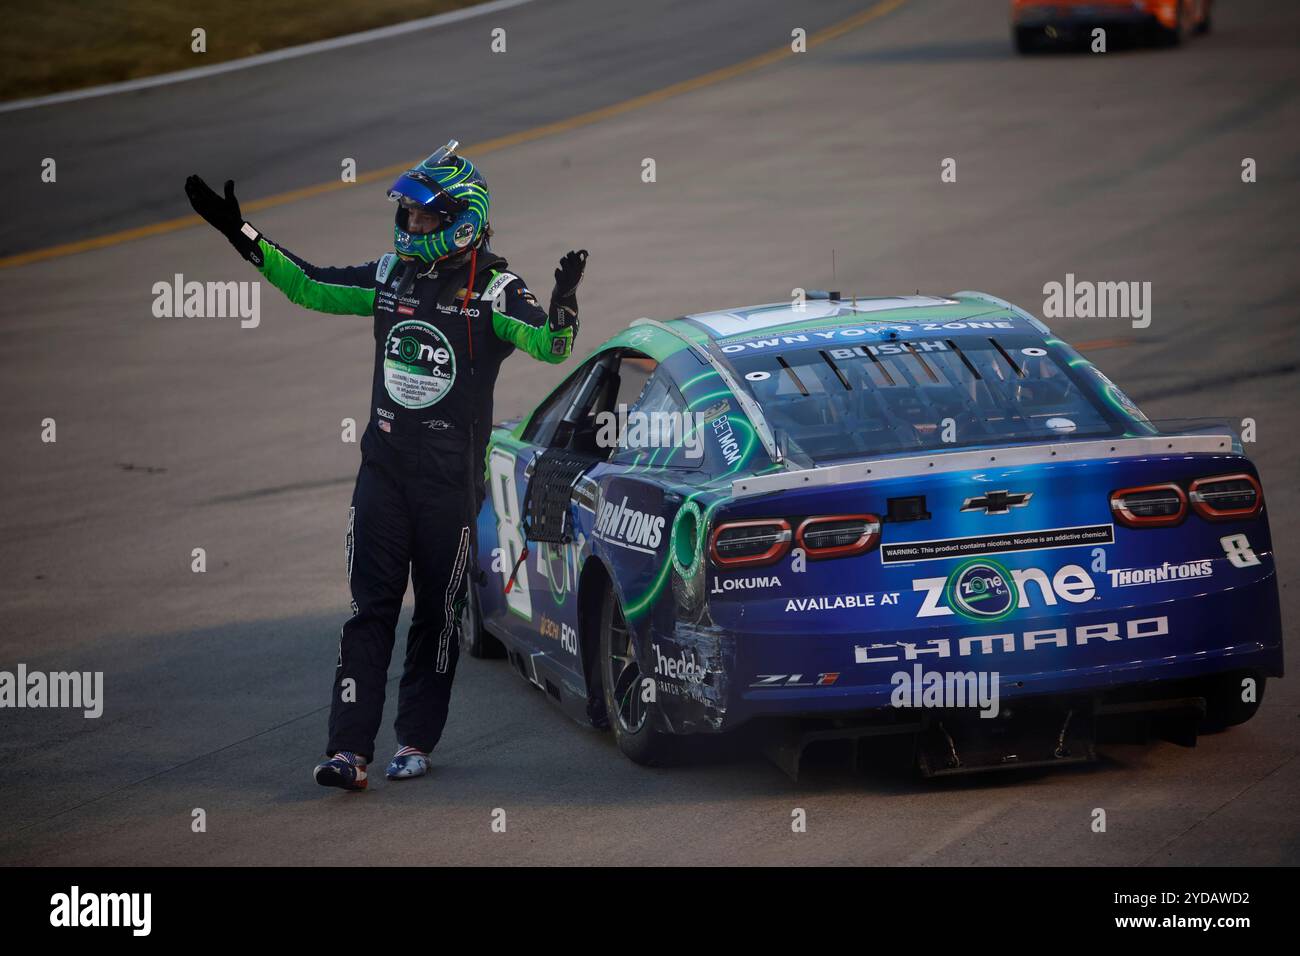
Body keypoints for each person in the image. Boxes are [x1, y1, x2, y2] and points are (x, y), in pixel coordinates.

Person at [185, 141, 587, 790]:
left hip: (451, 486)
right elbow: (310, 286)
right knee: (369, 609)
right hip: (384, 474)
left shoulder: (494, 289)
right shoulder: (388, 276)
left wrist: (564, 303)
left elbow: (550, 344)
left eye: (424, 218)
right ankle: (348, 753)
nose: (410, 227)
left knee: (435, 614)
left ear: (461, 219)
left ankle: (416, 741)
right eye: (408, 216)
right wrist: (240, 231)